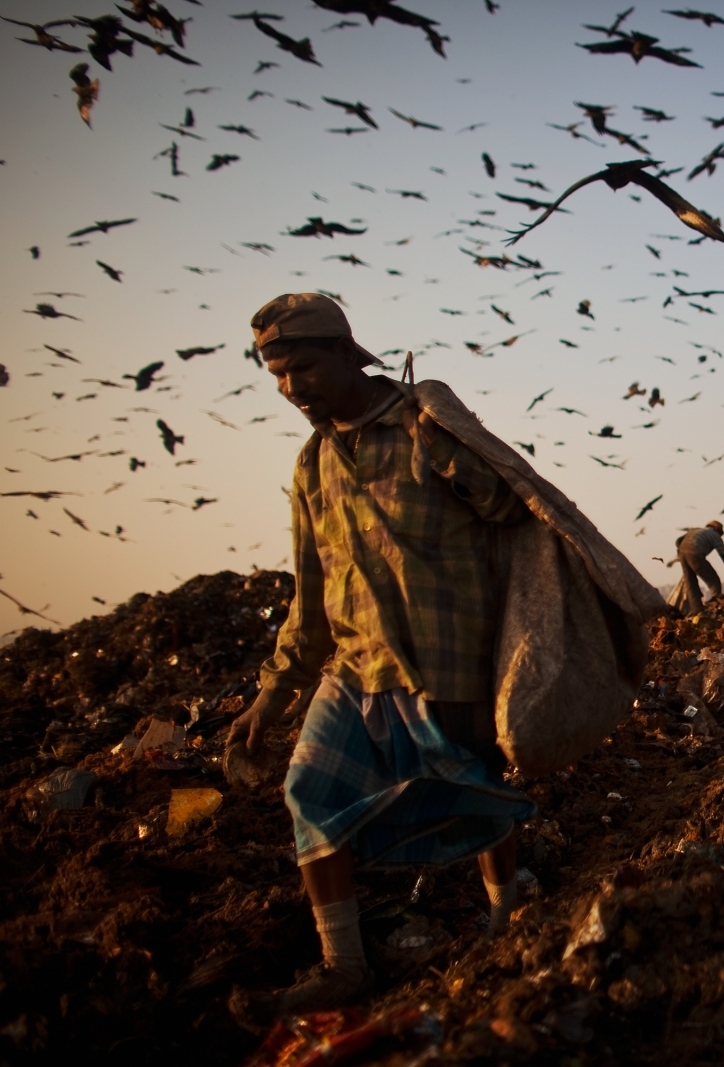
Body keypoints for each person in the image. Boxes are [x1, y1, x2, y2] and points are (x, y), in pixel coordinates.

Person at [227, 294, 536, 1019]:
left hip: (447, 657)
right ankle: (344, 966)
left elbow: (513, 512)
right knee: (308, 789)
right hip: (356, 667)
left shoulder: (423, 428)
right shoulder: (312, 465)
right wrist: (272, 694)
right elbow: (309, 596)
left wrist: (455, 443)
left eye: (303, 367)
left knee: (478, 790)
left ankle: (509, 917)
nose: (291, 387)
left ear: (346, 353)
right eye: (277, 376)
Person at [674, 520, 724, 615]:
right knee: (714, 582)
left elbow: (678, 541)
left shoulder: (696, 530)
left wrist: (681, 550)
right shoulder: (715, 535)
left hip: (682, 553)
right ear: (717, 529)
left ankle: (697, 610)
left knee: (691, 583)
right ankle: (715, 607)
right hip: (695, 554)